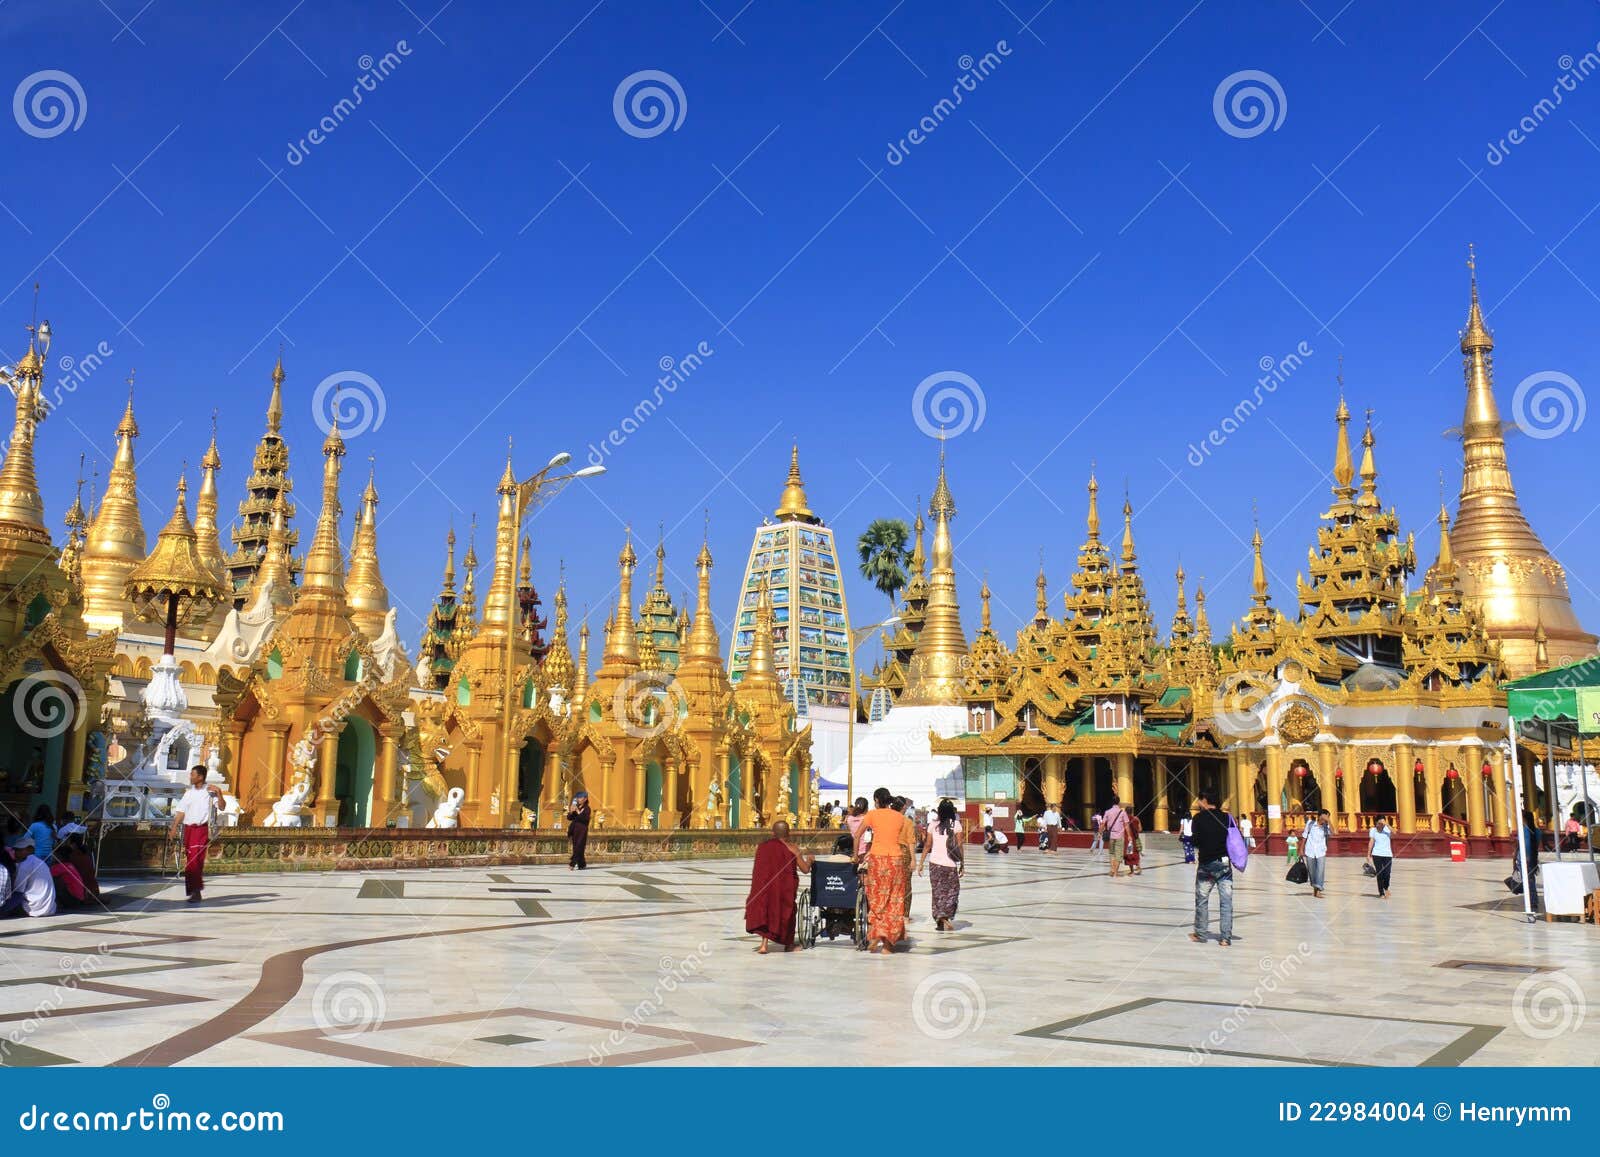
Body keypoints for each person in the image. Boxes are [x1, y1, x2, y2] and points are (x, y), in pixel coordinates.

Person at [745, 820, 812, 954]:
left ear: (773, 833)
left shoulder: (763, 847)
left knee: (766, 912)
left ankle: (764, 945)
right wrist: (810, 860)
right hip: (783, 890)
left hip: (764, 889)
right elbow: (805, 869)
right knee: (787, 912)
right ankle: (789, 945)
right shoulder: (792, 848)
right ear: (788, 833)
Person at [856, 787, 909, 953]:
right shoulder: (900, 817)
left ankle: (877, 933)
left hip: (877, 859)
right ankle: (887, 945)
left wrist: (855, 855)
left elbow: (858, 835)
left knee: (878, 898)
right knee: (894, 900)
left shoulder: (872, 814)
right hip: (895, 860)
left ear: (877, 800)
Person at [170, 765, 220, 903]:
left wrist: (219, 793)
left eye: (192, 775)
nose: (190, 777)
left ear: (200, 777)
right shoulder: (188, 793)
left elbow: (222, 806)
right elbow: (181, 811)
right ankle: (193, 891)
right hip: (188, 829)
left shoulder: (210, 792)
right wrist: (174, 827)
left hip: (201, 829)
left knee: (195, 861)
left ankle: (196, 891)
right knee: (190, 862)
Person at [1188, 791, 1232, 946]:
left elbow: (1195, 841)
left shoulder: (1198, 819)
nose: (1198, 803)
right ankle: (1225, 938)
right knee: (1226, 902)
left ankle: (1200, 934)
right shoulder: (1227, 818)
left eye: (1199, 800)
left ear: (1205, 800)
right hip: (1224, 863)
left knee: (1202, 900)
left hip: (1206, 864)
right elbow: (1233, 838)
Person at [918, 798, 964, 931]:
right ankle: (946, 917)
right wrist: (962, 864)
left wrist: (921, 863)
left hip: (935, 864)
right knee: (952, 891)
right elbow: (960, 846)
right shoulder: (956, 825)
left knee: (937, 892)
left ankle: (940, 918)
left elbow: (927, 845)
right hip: (950, 864)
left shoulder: (933, 825)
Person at [4, 834, 56, 918]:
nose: (16, 853)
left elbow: (18, 893)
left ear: (30, 850)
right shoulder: (39, 862)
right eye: (16, 850)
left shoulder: (25, 864)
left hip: (34, 909)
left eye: (20, 850)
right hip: (50, 909)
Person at [1302, 809, 1331, 898]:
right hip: (1309, 850)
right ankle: (1315, 889)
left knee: (1320, 871)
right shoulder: (1310, 824)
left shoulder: (1326, 827)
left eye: (1327, 817)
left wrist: (1329, 821)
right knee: (1312, 871)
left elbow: (1334, 831)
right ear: (1319, 816)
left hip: (1321, 851)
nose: (1325, 819)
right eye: (1324, 816)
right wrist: (1301, 849)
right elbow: (1304, 836)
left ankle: (1318, 890)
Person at [1367, 815, 1394, 900]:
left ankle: (1386, 887)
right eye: (1380, 822)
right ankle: (1381, 892)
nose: (1381, 824)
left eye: (1382, 822)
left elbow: (1395, 832)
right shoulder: (1373, 830)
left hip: (1388, 854)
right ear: (1376, 823)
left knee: (1387, 873)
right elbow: (1371, 842)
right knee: (1380, 873)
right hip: (1377, 854)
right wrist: (1368, 854)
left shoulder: (1387, 829)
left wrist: (1387, 824)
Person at [1103, 796, 1129, 878]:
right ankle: (1115, 873)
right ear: (1119, 802)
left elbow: (1103, 823)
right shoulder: (1123, 812)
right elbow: (1126, 825)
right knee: (1118, 855)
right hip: (1119, 836)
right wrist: (1129, 835)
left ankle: (1112, 869)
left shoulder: (1107, 812)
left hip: (1111, 835)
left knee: (1111, 853)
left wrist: (1100, 833)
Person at [566, 792, 592, 870]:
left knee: (579, 846)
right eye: (577, 798)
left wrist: (577, 811)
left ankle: (572, 863)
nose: (578, 799)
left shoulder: (587, 808)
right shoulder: (577, 807)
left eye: (580, 798)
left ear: (585, 799)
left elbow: (585, 819)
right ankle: (582, 864)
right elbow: (569, 818)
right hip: (575, 830)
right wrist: (571, 811)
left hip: (582, 830)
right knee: (576, 847)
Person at [1124, 810, 1144, 875]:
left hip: (1129, 840)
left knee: (1130, 855)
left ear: (1125, 812)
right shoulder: (1136, 819)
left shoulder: (1125, 820)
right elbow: (1140, 829)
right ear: (1132, 812)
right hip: (1135, 839)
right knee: (1136, 853)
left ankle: (1132, 871)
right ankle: (1138, 867)